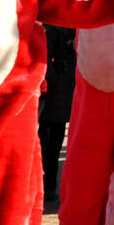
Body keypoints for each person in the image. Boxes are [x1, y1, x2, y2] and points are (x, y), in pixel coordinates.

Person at [38, 23, 76, 203]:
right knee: (50, 137)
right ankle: (47, 185)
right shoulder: (61, 23)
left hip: (56, 86)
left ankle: (46, 185)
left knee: (49, 137)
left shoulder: (55, 23)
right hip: (57, 86)